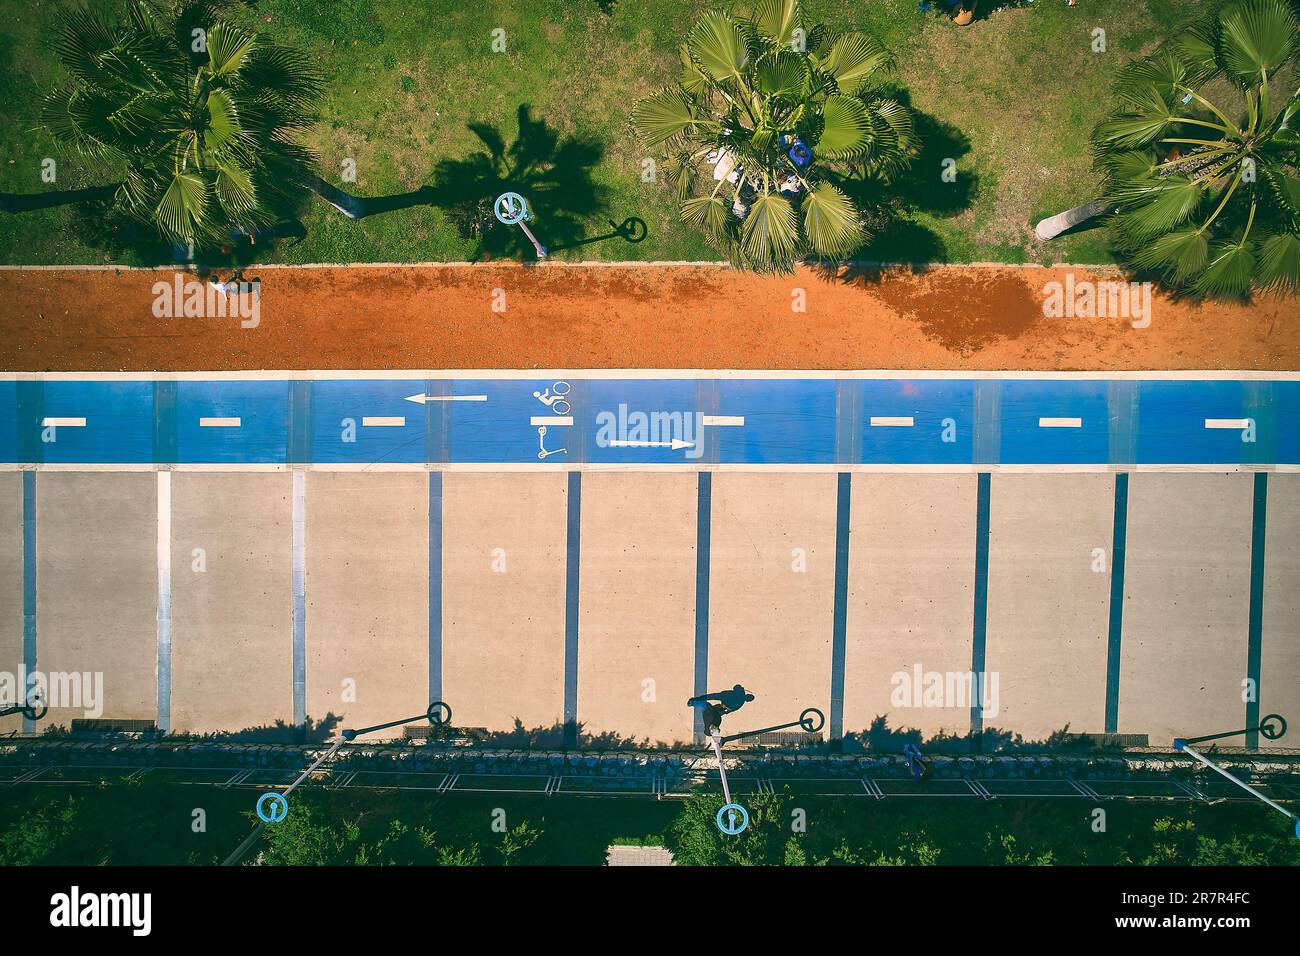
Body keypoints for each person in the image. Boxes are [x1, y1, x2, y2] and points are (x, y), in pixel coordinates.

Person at [687, 684, 755, 736]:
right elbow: (729, 710)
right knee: (708, 703)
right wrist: (724, 708)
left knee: (709, 700)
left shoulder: (741, 695)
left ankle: (694, 701)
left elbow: (735, 688)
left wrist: (723, 708)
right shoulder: (740, 703)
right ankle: (693, 701)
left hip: (723, 698)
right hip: (723, 700)